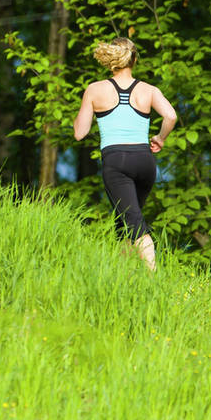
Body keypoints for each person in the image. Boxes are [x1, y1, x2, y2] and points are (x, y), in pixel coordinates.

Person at [73, 37, 177, 271]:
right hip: (145, 161)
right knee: (125, 223)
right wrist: (160, 138)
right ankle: (124, 276)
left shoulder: (94, 89)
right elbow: (170, 116)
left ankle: (154, 280)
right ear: (135, 60)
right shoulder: (149, 90)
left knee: (135, 224)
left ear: (111, 60)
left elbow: (80, 133)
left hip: (117, 161)